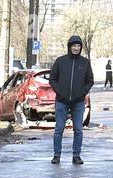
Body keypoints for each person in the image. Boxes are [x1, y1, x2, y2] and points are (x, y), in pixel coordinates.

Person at [48, 35, 92, 165]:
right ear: (69, 47)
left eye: (78, 46)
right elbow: (52, 79)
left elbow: (90, 81)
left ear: (80, 47)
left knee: (78, 129)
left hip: (78, 102)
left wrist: (82, 93)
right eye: (74, 46)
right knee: (59, 129)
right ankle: (56, 155)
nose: (76, 48)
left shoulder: (85, 63)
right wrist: (59, 91)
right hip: (61, 101)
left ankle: (76, 155)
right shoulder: (60, 61)